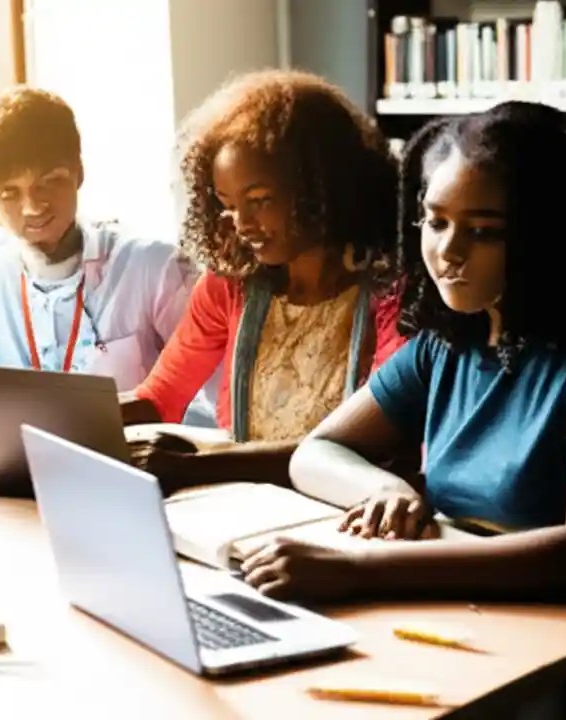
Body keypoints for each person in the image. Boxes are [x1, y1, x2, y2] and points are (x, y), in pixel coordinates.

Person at [240, 102, 566, 604]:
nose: (449, 251)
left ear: (542, 237)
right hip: (457, 608)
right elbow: (316, 453)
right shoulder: (445, 345)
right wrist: (385, 490)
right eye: (435, 223)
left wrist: (363, 569)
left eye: (483, 231)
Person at [122, 70, 406, 488]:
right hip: (248, 503)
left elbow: (367, 446)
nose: (243, 224)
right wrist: (63, 421)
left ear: (323, 187)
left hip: (346, 512)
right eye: (227, 205)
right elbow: (159, 398)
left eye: (259, 201)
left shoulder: (390, 293)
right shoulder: (228, 287)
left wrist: (194, 468)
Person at [0, 85, 216, 423]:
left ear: (78, 174)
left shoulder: (152, 267)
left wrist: (136, 419)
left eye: (49, 182)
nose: (32, 207)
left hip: (130, 464)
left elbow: (220, 406)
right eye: (8, 193)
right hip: (13, 467)